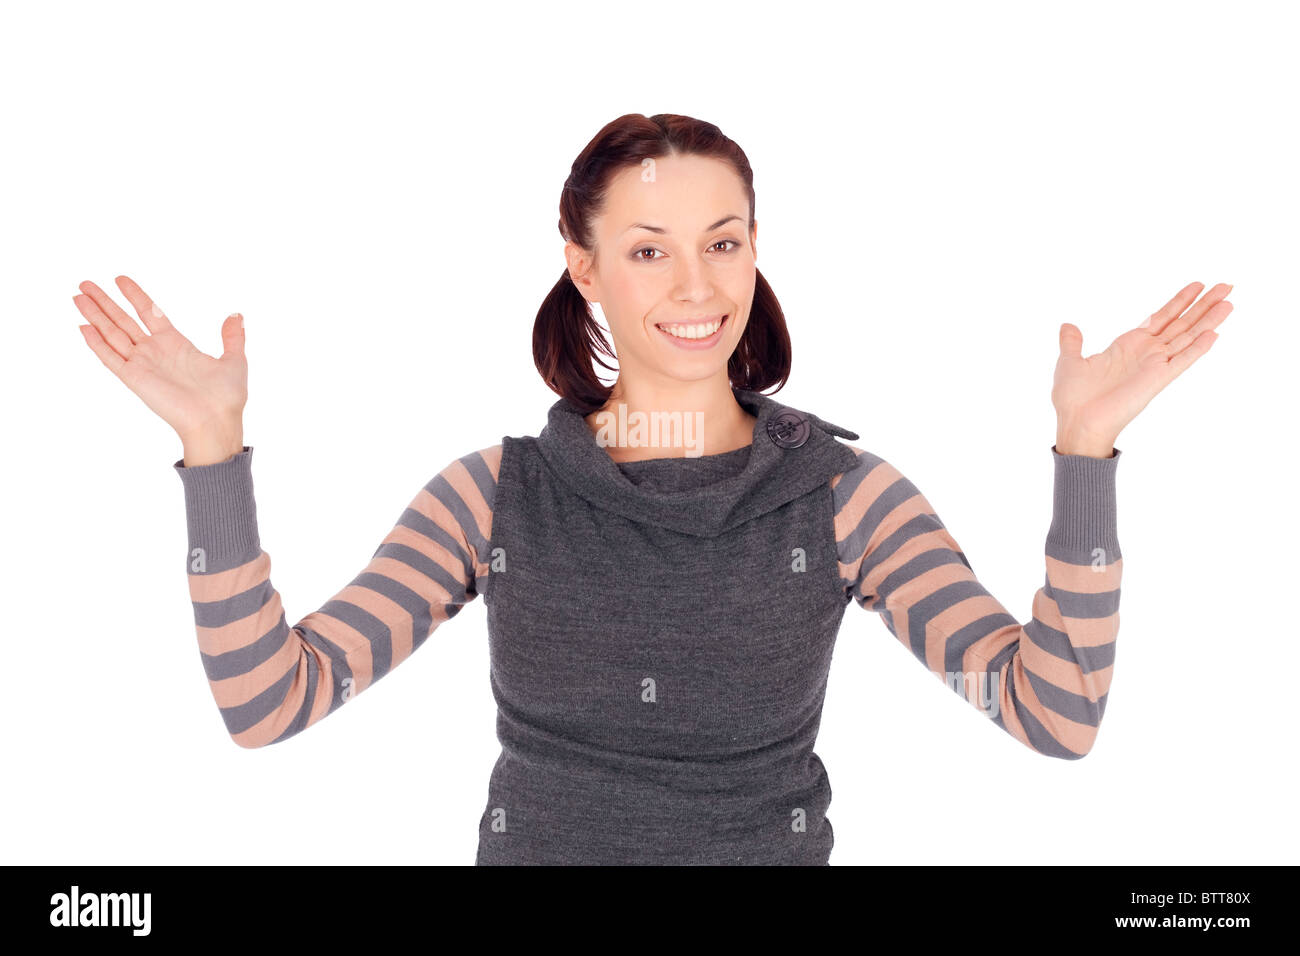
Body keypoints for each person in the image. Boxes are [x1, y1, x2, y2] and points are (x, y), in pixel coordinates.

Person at [72, 112, 1234, 865]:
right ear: (582, 265)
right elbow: (269, 701)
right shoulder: (495, 495)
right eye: (646, 249)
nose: (695, 283)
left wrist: (1084, 451)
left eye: (723, 242)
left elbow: (1054, 712)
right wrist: (212, 452)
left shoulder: (841, 497)